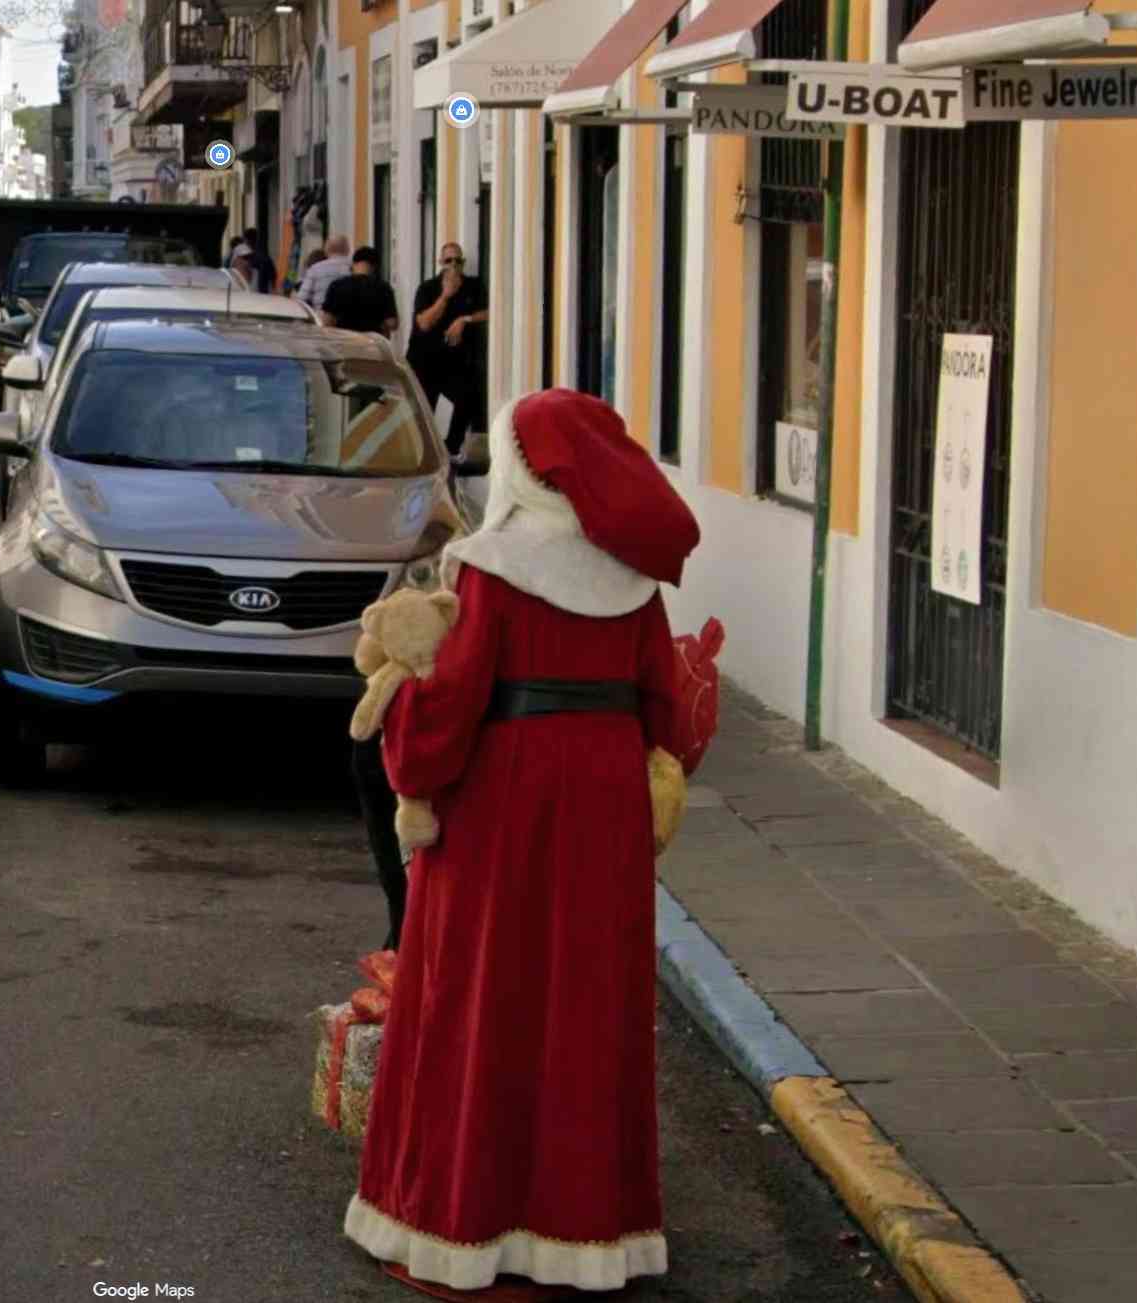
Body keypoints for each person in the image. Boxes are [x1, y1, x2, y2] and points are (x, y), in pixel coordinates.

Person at [346, 388, 703, 1295]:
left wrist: (401, 711)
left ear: (518, 466)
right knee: (587, 1011)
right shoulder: (632, 580)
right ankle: (585, 1236)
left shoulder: (490, 570)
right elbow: (666, 706)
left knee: (480, 1001)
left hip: (501, 808)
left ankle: (465, 1229)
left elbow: (443, 719)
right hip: (606, 804)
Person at [410, 243, 491, 452]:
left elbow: (490, 311)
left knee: (469, 398)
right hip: (426, 360)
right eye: (448, 260)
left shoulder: (474, 285)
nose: (454, 265)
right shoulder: (428, 288)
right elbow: (424, 323)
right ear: (440, 263)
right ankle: (424, 454)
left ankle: (452, 448)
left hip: (456, 361)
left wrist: (465, 319)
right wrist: (445, 296)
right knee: (424, 412)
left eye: (458, 260)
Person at [321, 245, 400, 338]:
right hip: (373, 345)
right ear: (374, 266)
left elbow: (327, 321)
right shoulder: (384, 287)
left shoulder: (336, 286)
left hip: (344, 344)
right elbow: (392, 323)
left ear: (354, 264)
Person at [296, 235, 353, 312]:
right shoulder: (354, 268)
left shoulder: (315, 269)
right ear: (348, 249)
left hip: (321, 318)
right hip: (350, 320)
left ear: (327, 250)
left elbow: (301, 299)